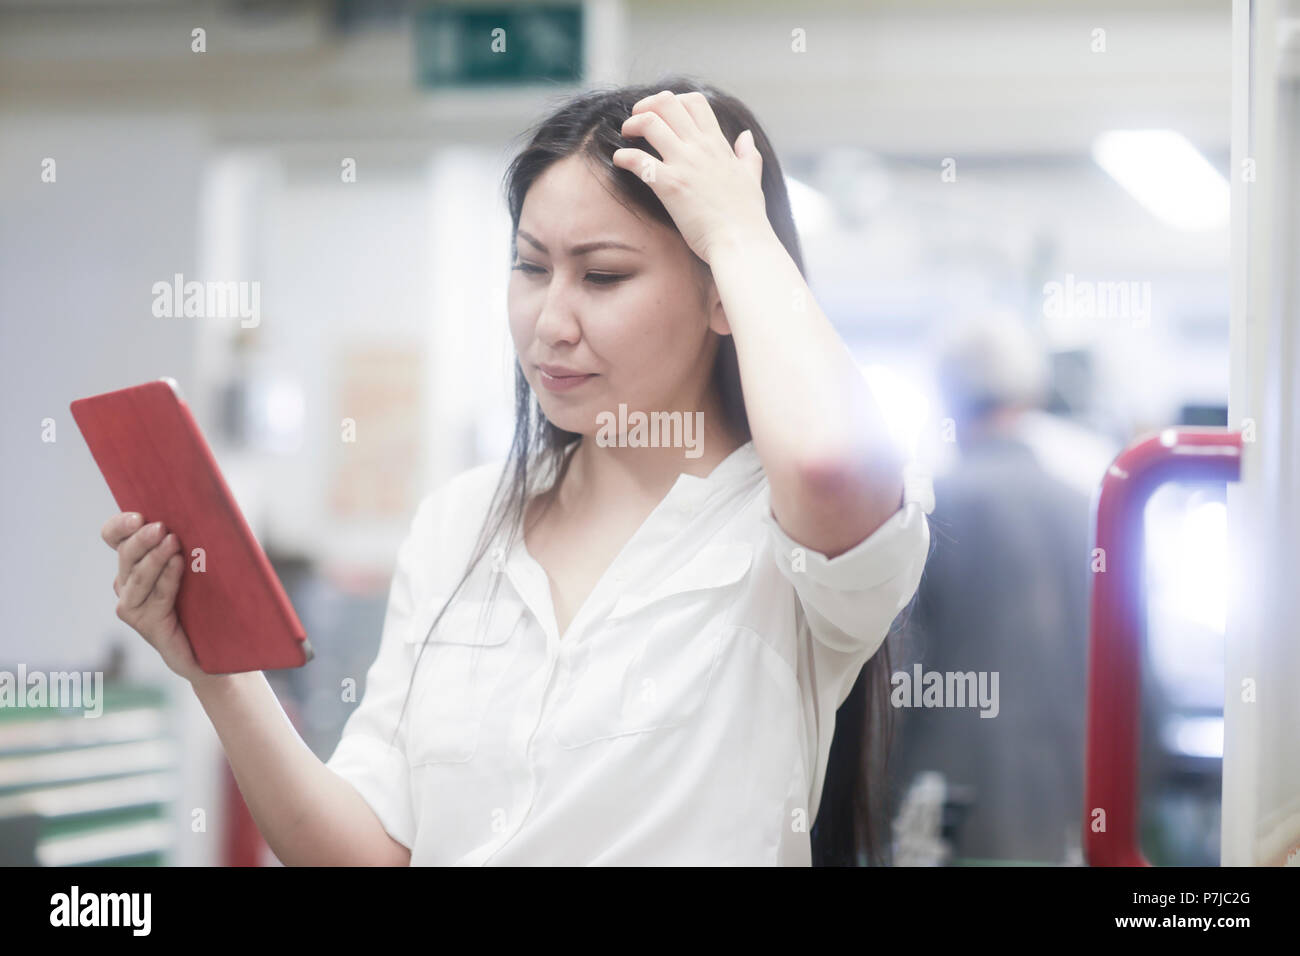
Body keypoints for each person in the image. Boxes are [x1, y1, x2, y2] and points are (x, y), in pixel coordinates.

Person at [100, 77, 930, 866]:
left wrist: (740, 231)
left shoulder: (782, 531)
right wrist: (219, 672)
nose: (550, 322)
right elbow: (364, 851)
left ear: (723, 296)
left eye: (602, 276)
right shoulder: (459, 524)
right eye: (532, 268)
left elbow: (827, 466)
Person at [890, 314, 1090, 864]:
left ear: (946, 397)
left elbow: (895, 674)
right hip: (1068, 809)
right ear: (1030, 394)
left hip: (951, 811)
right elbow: (1137, 681)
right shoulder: (1092, 509)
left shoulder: (929, 509)